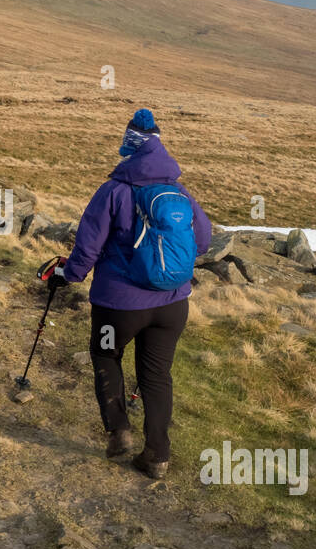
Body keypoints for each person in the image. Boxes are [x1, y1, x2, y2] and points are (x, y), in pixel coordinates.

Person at [48, 109, 211, 478]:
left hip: (117, 307)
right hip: (172, 306)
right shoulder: (179, 191)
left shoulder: (113, 190)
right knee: (157, 376)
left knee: (106, 355)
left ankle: (119, 431)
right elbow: (203, 241)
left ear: (130, 147)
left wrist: (67, 275)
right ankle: (157, 456)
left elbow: (88, 247)